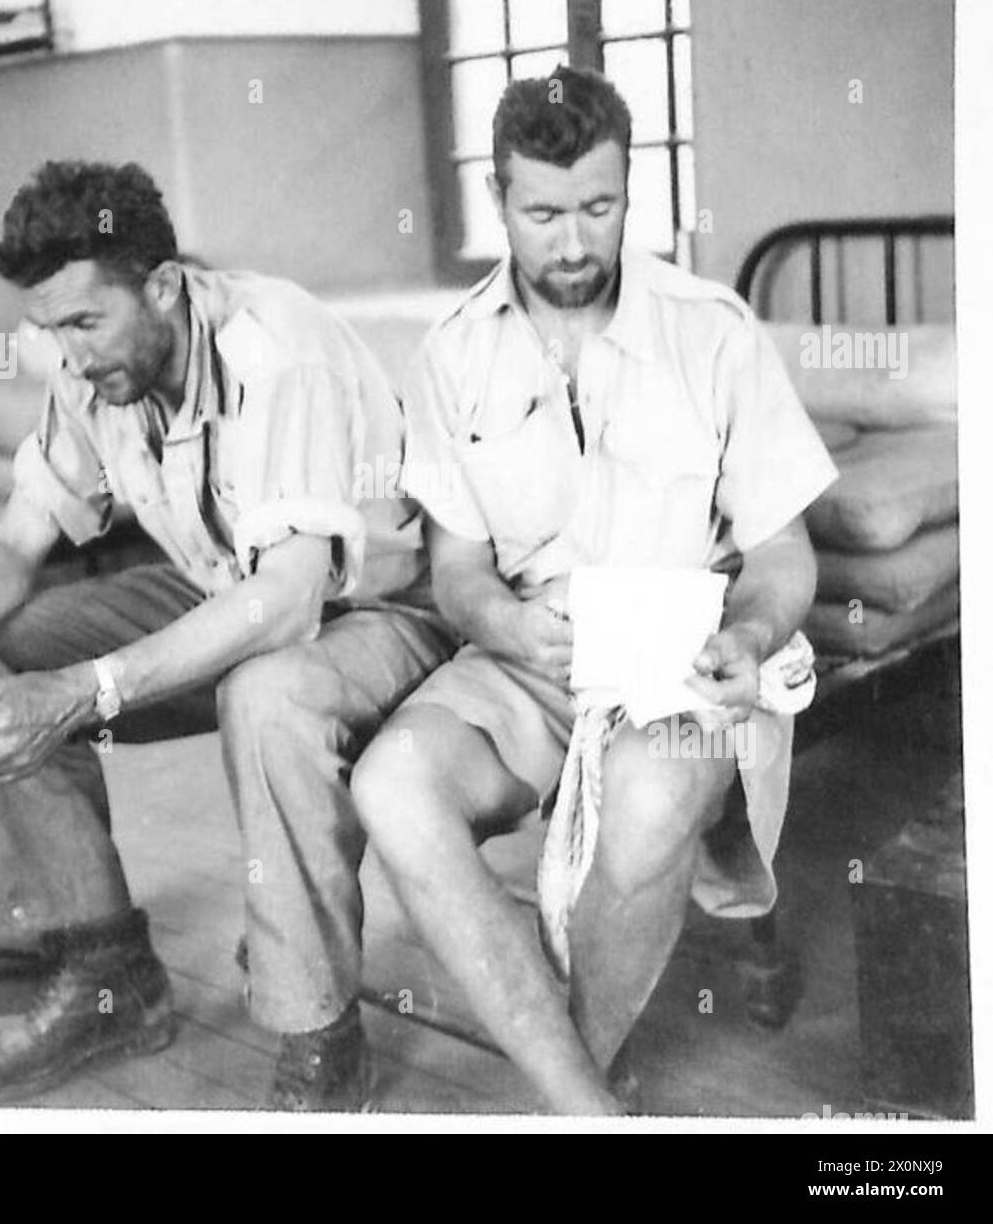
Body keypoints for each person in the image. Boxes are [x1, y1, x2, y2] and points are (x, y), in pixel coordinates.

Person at [0, 160, 455, 1109]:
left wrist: (87, 692)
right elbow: (16, 540)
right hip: (225, 586)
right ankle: (111, 978)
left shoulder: (275, 348)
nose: (70, 354)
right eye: (48, 328)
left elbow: (291, 600)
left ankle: (319, 1029)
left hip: (379, 611)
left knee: (261, 693)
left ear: (164, 287)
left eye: (85, 322)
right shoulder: (91, 369)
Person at [349, 66, 838, 1115]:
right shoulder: (447, 356)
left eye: (598, 208)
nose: (572, 243)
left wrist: (749, 634)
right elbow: (457, 570)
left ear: (629, 191)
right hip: (528, 661)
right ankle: (584, 1105)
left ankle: (562, 1095)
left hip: (684, 661)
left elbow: (783, 553)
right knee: (390, 785)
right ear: (498, 200)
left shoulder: (711, 330)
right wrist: (501, 624)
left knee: (651, 799)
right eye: (541, 213)